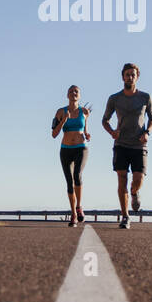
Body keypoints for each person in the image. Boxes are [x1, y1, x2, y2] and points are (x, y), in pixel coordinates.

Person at [101, 63, 152, 228]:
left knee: (138, 179)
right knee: (122, 179)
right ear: (122, 77)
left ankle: (134, 192)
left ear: (137, 77)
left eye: (133, 74)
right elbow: (105, 120)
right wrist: (111, 132)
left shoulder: (145, 97)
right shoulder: (114, 98)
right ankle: (125, 216)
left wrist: (147, 132)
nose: (130, 77)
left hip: (139, 145)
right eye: (127, 74)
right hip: (121, 144)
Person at [51, 85, 91, 226]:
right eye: (71, 91)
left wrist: (87, 134)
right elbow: (54, 134)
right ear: (67, 95)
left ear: (79, 96)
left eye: (76, 92)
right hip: (65, 149)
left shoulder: (84, 111)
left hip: (81, 148)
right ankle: (73, 214)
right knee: (69, 182)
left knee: (77, 176)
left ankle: (79, 206)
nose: (73, 93)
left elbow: (85, 129)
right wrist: (63, 120)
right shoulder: (60, 112)